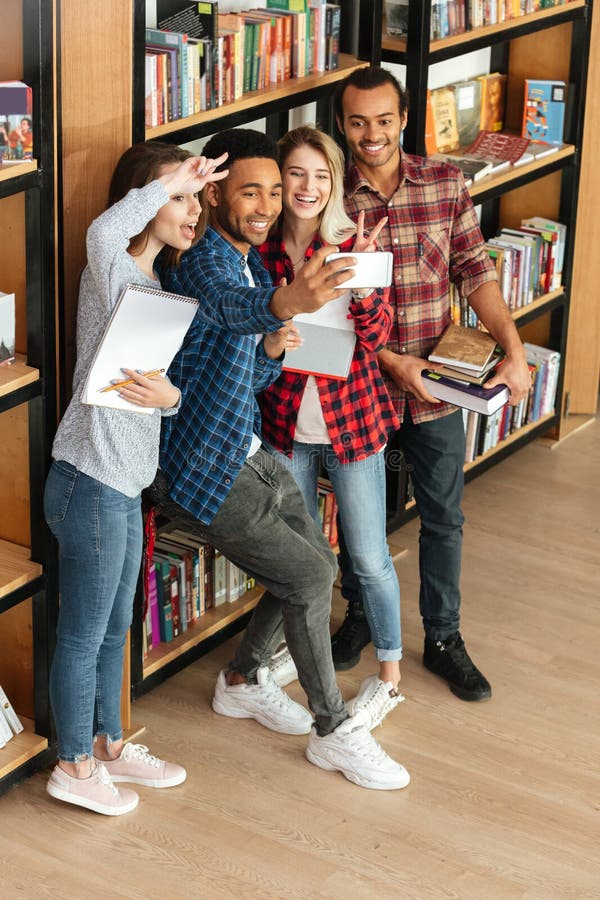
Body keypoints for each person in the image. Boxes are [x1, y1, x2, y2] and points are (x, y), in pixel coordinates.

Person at [152, 127, 410, 791]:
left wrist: (270, 351)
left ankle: (240, 678)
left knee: (317, 566)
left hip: (245, 445)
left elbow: (247, 370)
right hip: (204, 470)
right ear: (214, 193)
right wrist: (285, 303)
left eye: (275, 189)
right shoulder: (209, 262)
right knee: (306, 578)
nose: (268, 203)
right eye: (250, 190)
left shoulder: (247, 257)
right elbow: (229, 307)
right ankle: (334, 730)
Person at [331, 66, 532, 701]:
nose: (371, 134)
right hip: (361, 386)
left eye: (383, 121)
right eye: (358, 122)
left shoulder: (445, 182)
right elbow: (328, 301)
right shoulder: (329, 193)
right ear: (343, 124)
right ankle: (360, 615)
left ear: (404, 119)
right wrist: (391, 360)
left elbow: (475, 271)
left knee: (443, 515)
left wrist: (514, 347)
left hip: (439, 387)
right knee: (359, 515)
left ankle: (443, 638)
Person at [44, 141, 229, 815]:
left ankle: (109, 745)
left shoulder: (159, 290)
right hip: (88, 479)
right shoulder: (110, 270)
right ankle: (72, 764)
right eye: (176, 195)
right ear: (141, 201)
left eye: (192, 195)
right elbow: (101, 228)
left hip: (126, 482)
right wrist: (173, 178)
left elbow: (151, 393)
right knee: (85, 629)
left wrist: (171, 399)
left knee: (118, 622)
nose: (190, 208)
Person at [258, 124, 404, 730]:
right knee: (303, 556)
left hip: (353, 426)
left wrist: (361, 282)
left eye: (321, 176)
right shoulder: (258, 250)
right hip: (286, 425)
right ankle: (294, 653)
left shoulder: (352, 242)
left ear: (335, 183)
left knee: (367, 556)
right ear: (279, 179)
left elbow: (377, 339)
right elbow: (253, 343)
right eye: (296, 173)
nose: (308, 187)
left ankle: (390, 675)